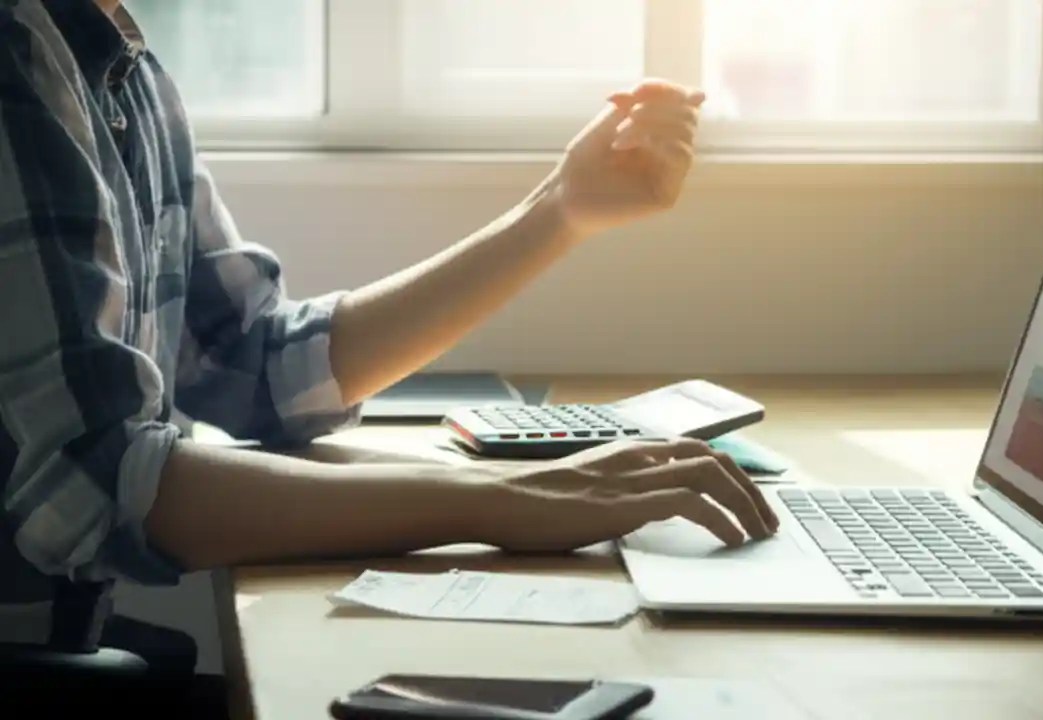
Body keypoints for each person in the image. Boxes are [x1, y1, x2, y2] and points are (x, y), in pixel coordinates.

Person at [0, 0, 778, 714]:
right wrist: (507, 501)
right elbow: (100, 480)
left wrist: (561, 210)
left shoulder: (111, 54)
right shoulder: (15, 54)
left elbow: (255, 364)